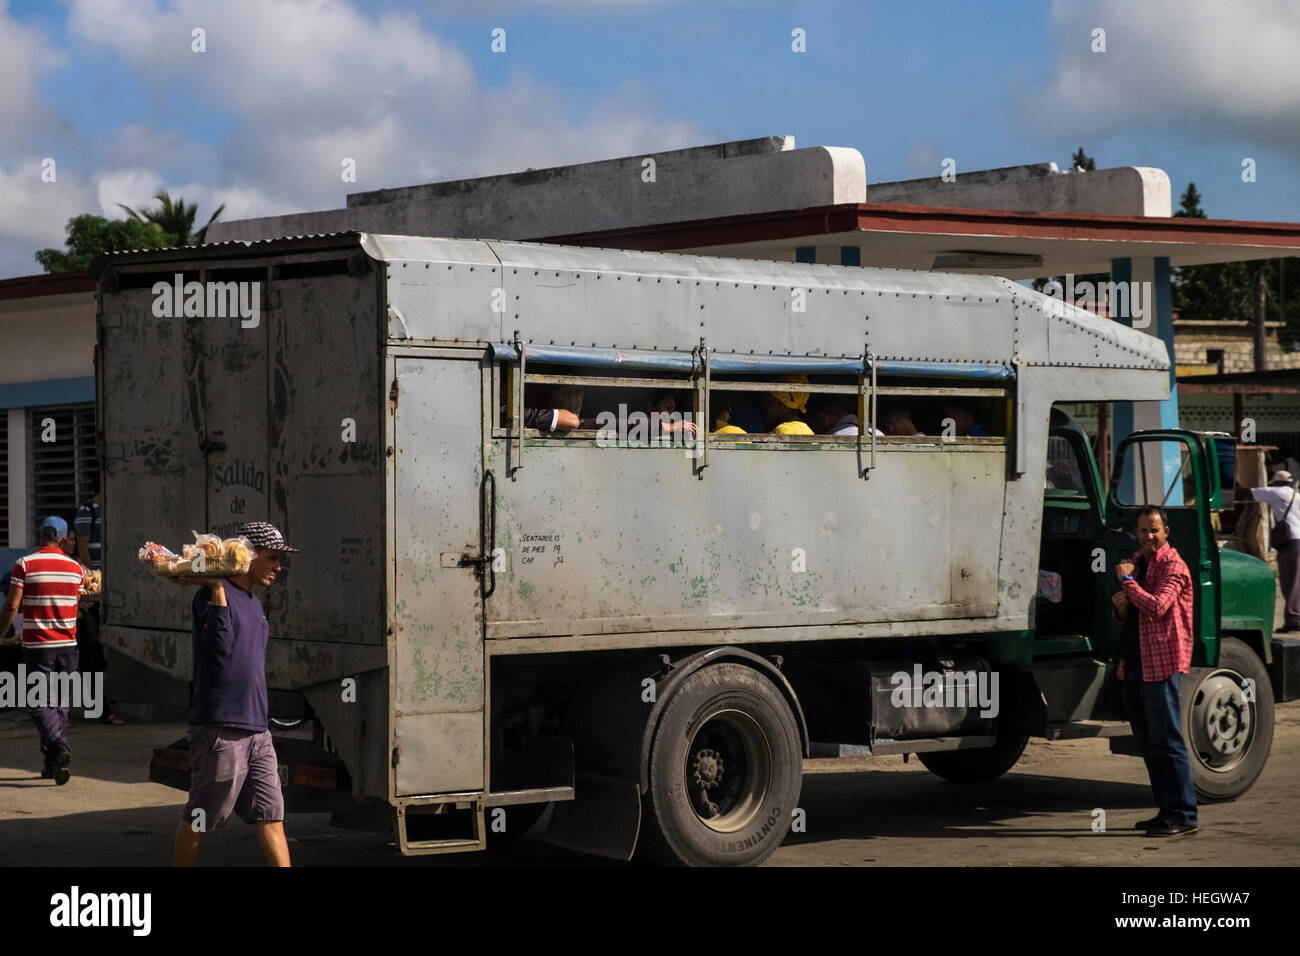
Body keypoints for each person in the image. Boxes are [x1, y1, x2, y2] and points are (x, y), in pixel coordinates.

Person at [173, 521, 297, 867]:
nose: (278, 566)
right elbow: (220, 648)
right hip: (220, 729)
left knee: (271, 816)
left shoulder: (254, 603)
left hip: (258, 729)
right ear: (250, 556)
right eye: (273, 557)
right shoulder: (210, 596)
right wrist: (215, 586)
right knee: (200, 816)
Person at [1112, 505, 1198, 836]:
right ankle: (1166, 811)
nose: (1149, 536)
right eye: (1143, 530)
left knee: (1168, 742)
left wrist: (1128, 583)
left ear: (1166, 532)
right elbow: (1133, 612)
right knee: (1149, 743)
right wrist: (1120, 606)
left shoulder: (1173, 566)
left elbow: (1158, 606)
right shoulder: (1140, 563)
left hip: (1161, 664)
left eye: (1154, 529)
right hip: (1135, 662)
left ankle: (1184, 815)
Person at [0, 517, 85, 785]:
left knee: (38, 701)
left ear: (39, 535)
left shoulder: (25, 564)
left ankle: (58, 747)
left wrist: (1, 631)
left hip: (39, 645)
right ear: (62, 540)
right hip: (68, 646)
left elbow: (13, 606)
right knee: (58, 704)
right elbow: (76, 601)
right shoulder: (76, 568)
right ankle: (53, 765)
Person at [62, 511, 124, 724]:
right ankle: (62, 714)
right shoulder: (57, 566)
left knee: (91, 664)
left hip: (81, 622)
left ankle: (103, 711)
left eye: (73, 539)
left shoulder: (77, 564)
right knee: (64, 669)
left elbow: (90, 586)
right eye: (69, 540)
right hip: (62, 625)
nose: (73, 543)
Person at [1251, 469, 1300, 633]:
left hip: (1290, 542)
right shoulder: (1297, 495)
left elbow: (1249, 493)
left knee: (1289, 581)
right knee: (1296, 581)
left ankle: (1293, 619)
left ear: (1278, 482)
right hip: (1298, 540)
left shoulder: (1276, 492)